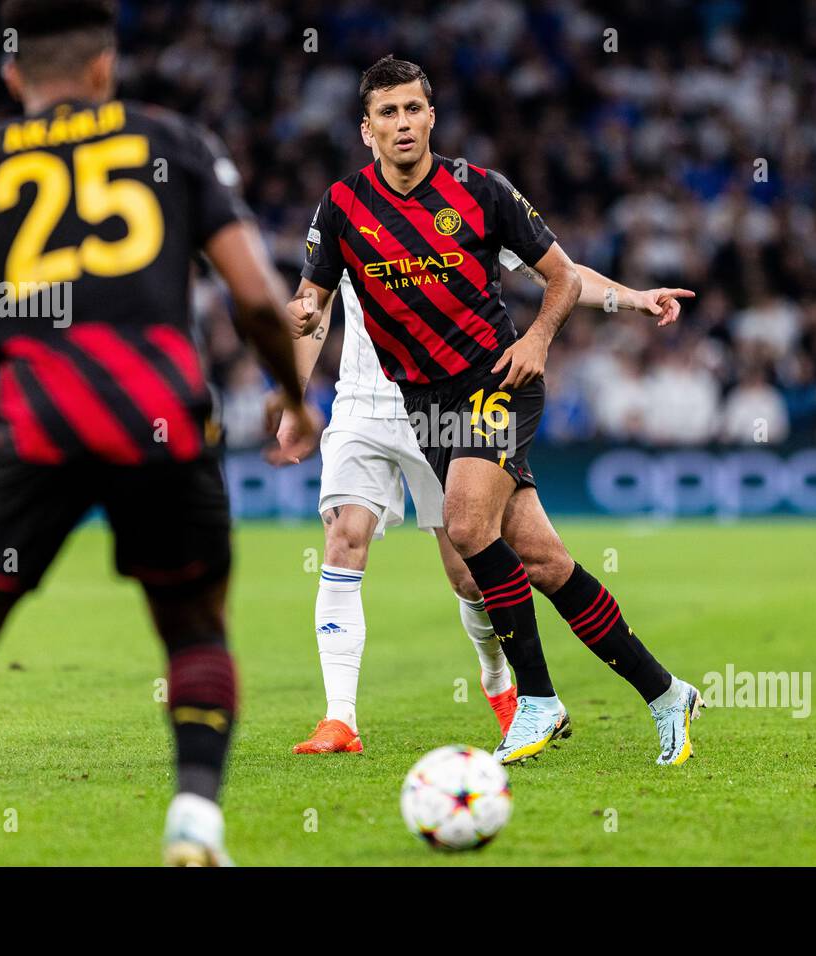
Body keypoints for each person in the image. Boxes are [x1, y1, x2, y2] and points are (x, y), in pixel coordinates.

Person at [0, 0, 317, 867]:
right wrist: (291, 393)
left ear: (15, 76)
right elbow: (257, 298)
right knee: (195, 631)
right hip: (160, 418)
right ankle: (195, 821)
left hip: (35, 425)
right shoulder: (171, 140)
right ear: (102, 68)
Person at [289, 55, 705, 766]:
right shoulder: (344, 206)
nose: (402, 124)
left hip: (496, 380)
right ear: (367, 130)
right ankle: (665, 692)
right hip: (423, 402)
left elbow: (563, 276)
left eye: (413, 109)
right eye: (387, 113)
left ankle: (535, 699)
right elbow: (312, 297)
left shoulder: (478, 191)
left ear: (431, 117)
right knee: (542, 561)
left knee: (465, 524)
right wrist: (299, 319)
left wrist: (542, 339)